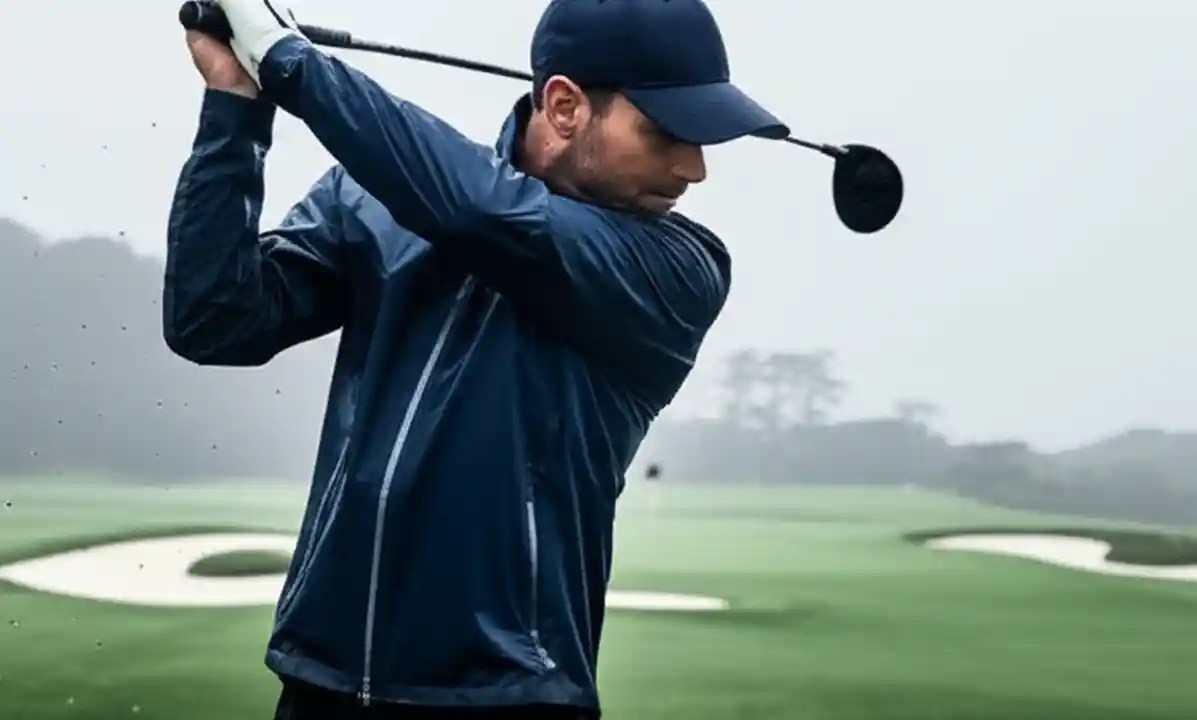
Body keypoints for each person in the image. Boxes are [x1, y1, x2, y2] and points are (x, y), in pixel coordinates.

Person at [168, 0, 789, 717]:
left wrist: (288, 60)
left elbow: (482, 213)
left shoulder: (677, 267)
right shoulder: (384, 194)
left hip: (509, 695)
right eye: (667, 134)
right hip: (321, 680)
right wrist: (235, 108)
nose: (695, 168)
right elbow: (213, 322)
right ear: (563, 106)